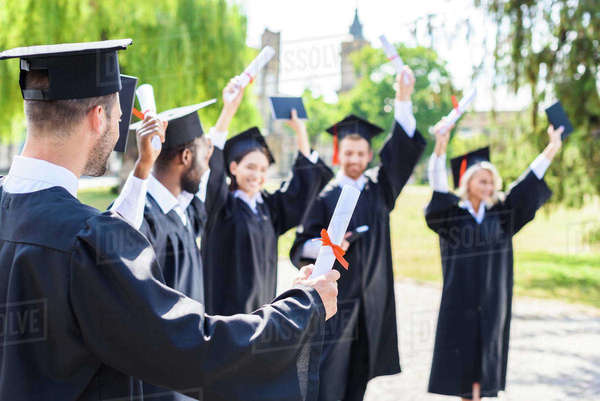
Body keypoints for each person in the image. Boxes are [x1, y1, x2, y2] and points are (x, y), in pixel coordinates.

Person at [0, 39, 339, 401]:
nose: (119, 128)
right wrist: (302, 306)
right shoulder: (86, 239)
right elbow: (191, 346)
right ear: (98, 118)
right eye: (119, 117)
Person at [289, 66, 427, 401]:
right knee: (330, 375)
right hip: (337, 302)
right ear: (340, 154)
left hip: (372, 302)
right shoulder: (325, 196)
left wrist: (403, 99)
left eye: (361, 153)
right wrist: (327, 246)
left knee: (359, 376)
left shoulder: (380, 188)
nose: (354, 159)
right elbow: (297, 249)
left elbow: (401, 155)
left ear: (368, 155)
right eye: (348, 153)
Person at [425, 117, 563, 400]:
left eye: (492, 181)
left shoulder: (502, 216)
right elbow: (438, 188)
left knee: (485, 363)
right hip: (460, 300)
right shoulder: (453, 216)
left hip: (492, 299)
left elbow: (527, 182)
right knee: (463, 363)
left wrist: (551, 149)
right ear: (468, 182)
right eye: (482, 180)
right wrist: (440, 146)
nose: (489, 186)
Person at [202, 78, 334, 316]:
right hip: (225, 317)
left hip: (262, 311)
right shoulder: (220, 206)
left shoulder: (269, 209)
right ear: (233, 168)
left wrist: (300, 131)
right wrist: (228, 110)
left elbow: (300, 191)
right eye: (250, 167)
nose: (257, 175)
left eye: (263, 169)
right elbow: (212, 171)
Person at [111, 103, 216, 400]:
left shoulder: (182, 210)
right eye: (203, 154)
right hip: (159, 383)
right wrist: (143, 166)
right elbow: (117, 239)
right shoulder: (141, 216)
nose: (207, 165)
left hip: (187, 367)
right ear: (186, 156)